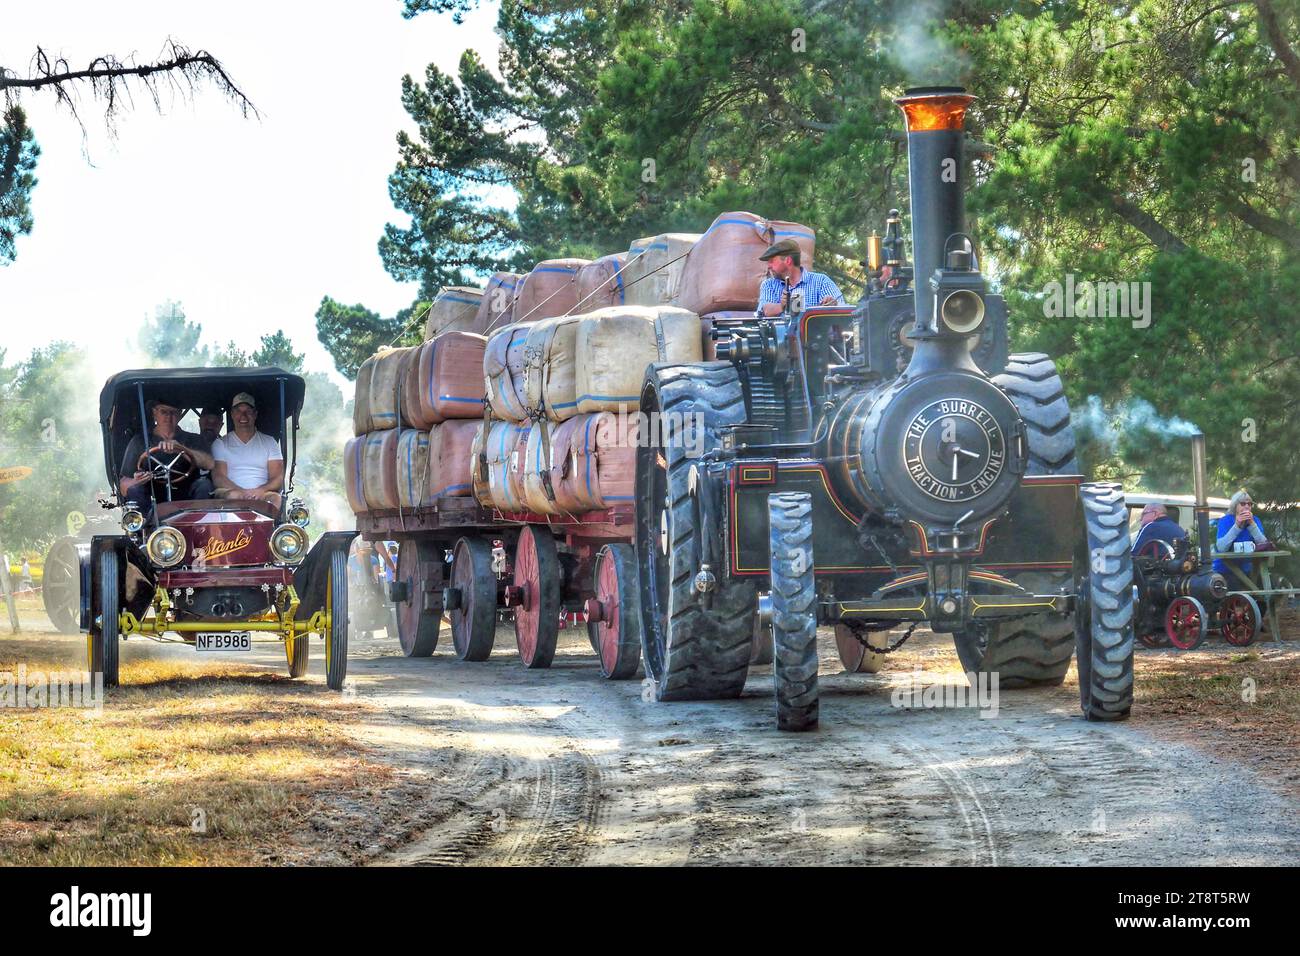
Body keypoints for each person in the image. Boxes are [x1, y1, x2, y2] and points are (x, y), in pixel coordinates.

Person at [119, 399, 216, 509]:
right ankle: (146, 524)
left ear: (180, 416)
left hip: (188, 496)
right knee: (134, 490)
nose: (168, 417)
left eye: (173, 413)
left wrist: (181, 449)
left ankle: (199, 525)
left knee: (204, 485)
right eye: (163, 412)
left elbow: (210, 464)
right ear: (155, 414)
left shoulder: (193, 439)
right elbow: (123, 485)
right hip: (152, 499)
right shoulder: (139, 441)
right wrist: (135, 481)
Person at [211, 392, 285, 509]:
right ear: (232, 414)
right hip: (230, 491)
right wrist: (242, 492)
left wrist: (260, 490)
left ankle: (268, 527)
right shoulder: (220, 443)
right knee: (233, 495)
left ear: (255, 414)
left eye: (248, 411)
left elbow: (278, 478)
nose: (243, 416)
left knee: (275, 498)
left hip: (262, 493)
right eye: (238, 411)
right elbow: (219, 477)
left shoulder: (270, 442)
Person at [757, 238, 845, 316]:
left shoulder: (821, 281)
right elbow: (765, 310)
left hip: (814, 333)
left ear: (788, 260)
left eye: (771, 261)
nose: (768, 266)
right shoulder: (769, 284)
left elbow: (843, 309)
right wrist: (782, 305)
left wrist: (833, 304)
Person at [1214, 489, 1270, 579]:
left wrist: (1252, 525)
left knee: (1264, 582)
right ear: (1235, 506)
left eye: (1249, 504)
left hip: (1248, 569)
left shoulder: (1255, 520)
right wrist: (1237, 526)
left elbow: (1263, 544)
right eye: (1243, 504)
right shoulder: (1225, 520)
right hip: (1225, 569)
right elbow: (1221, 547)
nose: (1247, 506)